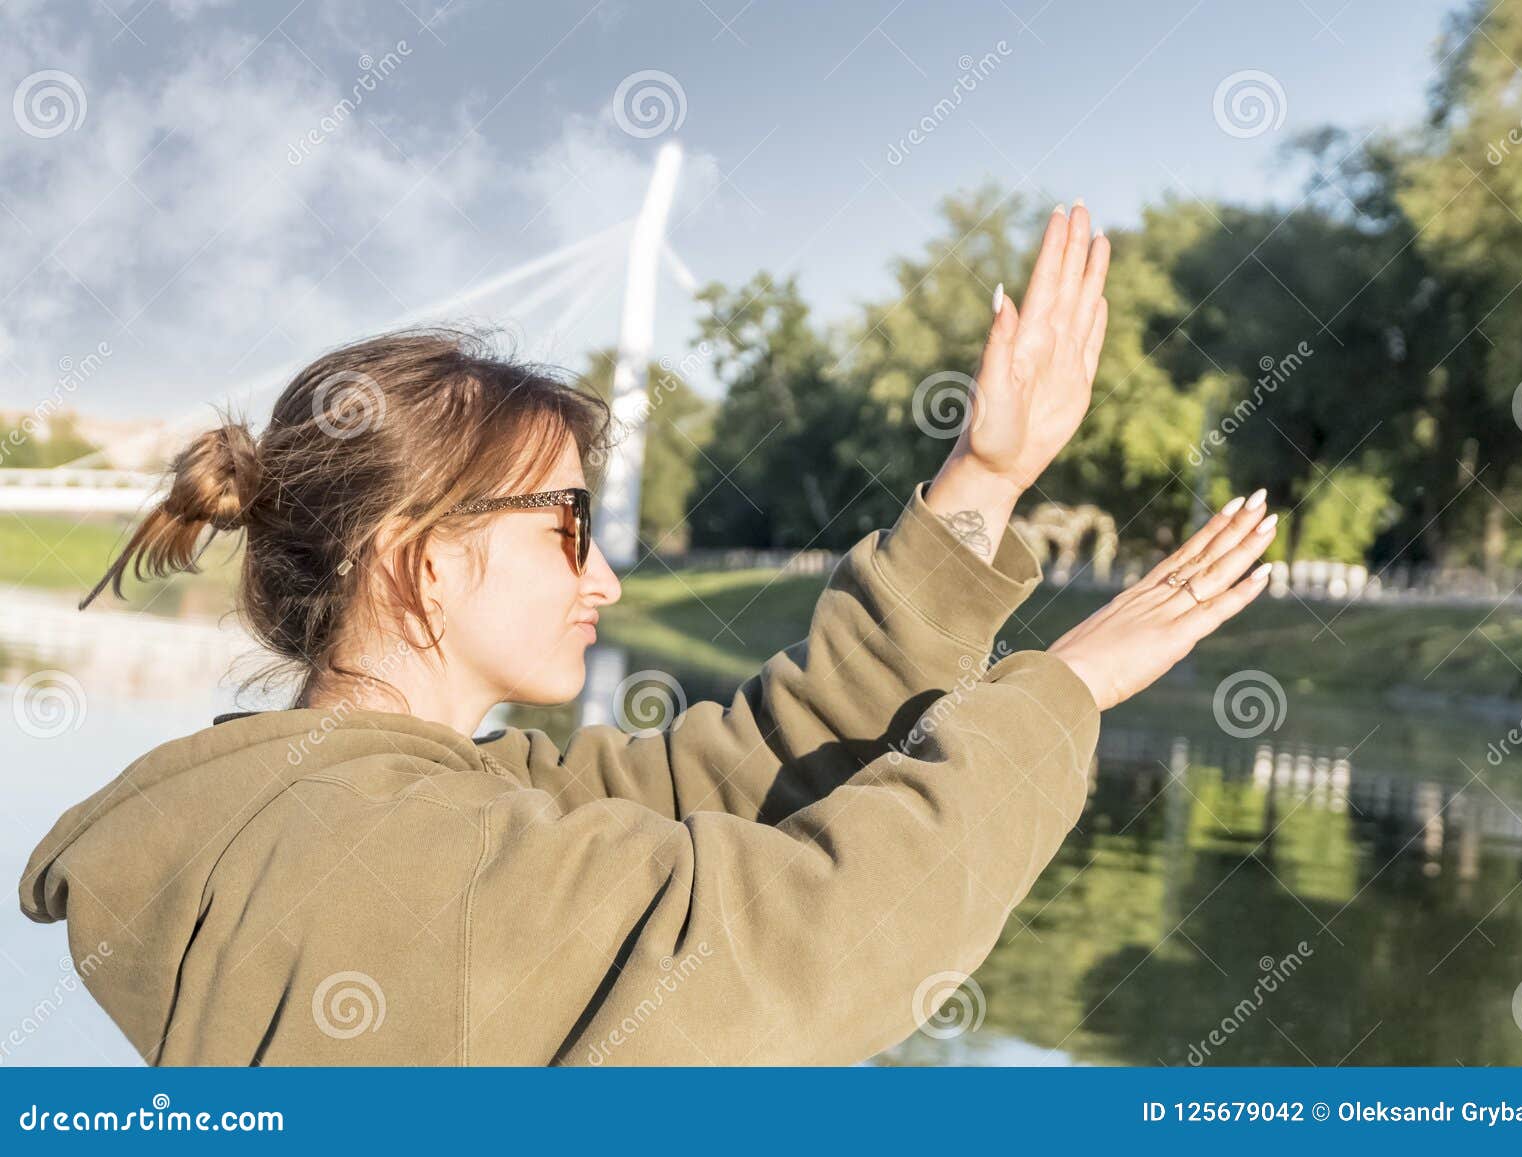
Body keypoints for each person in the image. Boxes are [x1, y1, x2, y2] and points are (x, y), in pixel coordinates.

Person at [18, 202, 1276, 1065]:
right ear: (423, 558)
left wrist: (983, 481)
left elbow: (727, 781)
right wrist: (1062, 693)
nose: (608, 576)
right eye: (568, 523)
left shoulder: (398, 799)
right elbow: (802, 942)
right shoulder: (377, 857)